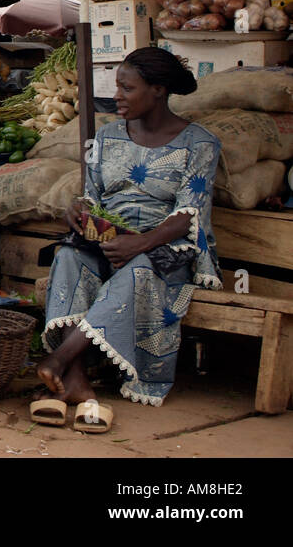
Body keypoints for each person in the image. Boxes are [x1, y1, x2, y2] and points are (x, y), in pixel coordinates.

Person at [34, 48, 220, 427]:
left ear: (158, 90)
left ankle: (60, 359)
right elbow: (94, 195)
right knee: (69, 257)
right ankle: (77, 380)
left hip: (165, 246)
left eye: (126, 88)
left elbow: (189, 214)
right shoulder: (107, 136)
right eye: (117, 86)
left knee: (137, 271)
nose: (116, 95)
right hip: (106, 236)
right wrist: (79, 209)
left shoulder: (199, 144)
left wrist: (141, 242)